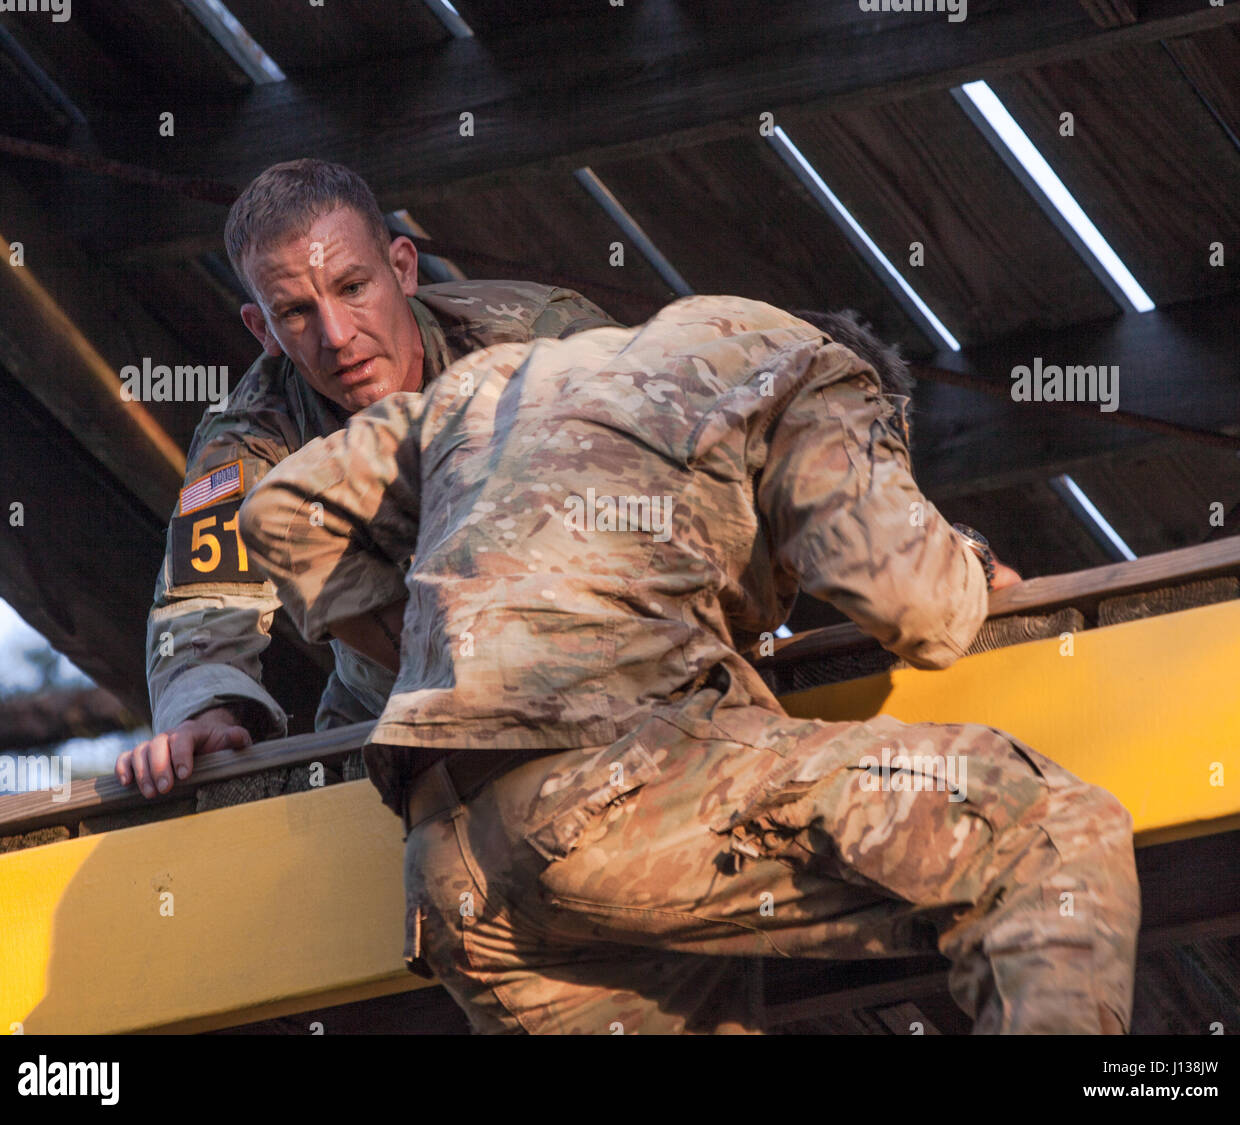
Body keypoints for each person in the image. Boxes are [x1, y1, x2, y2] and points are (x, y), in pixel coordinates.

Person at [238, 295, 1140, 1034]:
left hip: (456, 867)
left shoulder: (488, 381)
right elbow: (915, 606)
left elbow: (280, 511)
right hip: (619, 782)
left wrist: (439, 661)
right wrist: (970, 561)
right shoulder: (808, 362)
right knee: (1043, 831)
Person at [116, 159, 617, 799]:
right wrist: (205, 718)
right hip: (385, 713)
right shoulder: (249, 435)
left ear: (402, 268)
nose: (337, 336)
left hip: (601, 655)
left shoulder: (540, 339)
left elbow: (677, 491)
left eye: (353, 287)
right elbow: (206, 608)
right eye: (295, 311)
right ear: (261, 328)